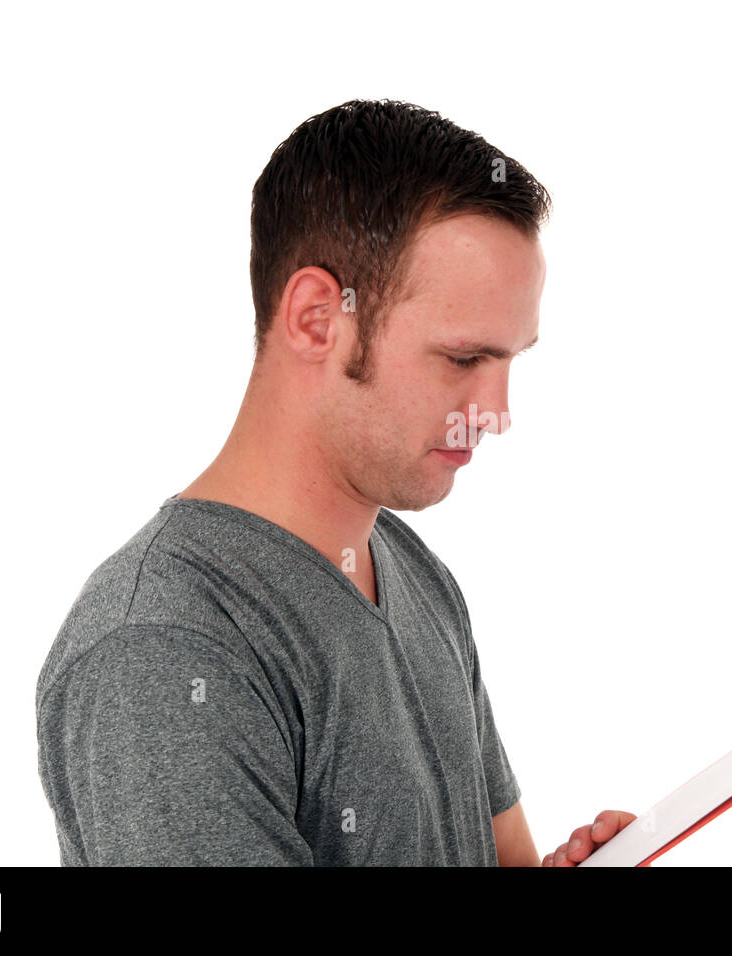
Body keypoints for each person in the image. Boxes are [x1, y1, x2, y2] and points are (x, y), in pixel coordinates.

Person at [35, 98, 636, 866]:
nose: (495, 413)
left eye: (510, 361)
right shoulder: (162, 651)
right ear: (319, 317)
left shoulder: (415, 575)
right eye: (463, 360)